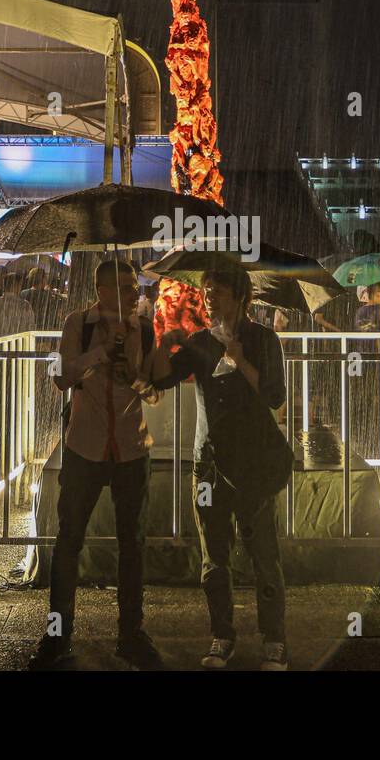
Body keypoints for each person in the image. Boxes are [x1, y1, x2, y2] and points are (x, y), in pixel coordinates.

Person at [150, 268, 290, 671]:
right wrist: (166, 345)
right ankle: (222, 634)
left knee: (264, 552)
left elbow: (275, 396)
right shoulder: (199, 342)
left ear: (241, 296)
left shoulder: (264, 339)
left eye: (219, 292)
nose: (209, 298)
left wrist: (241, 360)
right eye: (207, 291)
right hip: (208, 462)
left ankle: (275, 638)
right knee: (214, 557)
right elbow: (161, 380)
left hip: (254, 465)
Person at [29, 259, 161, 671]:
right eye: (123, 287)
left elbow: (155, 392)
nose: (132, 295)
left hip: (131, 448)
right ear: (100, 290)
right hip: (84, 447)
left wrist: (135, 377)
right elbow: (60, 377)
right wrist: (101, 353)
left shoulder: (146, 328)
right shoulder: (77, 324)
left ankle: (131, 634)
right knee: (69, 543)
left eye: (134, 288)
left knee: (132, 545)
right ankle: (57, 635)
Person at [0, 272, 35, 338]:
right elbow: (30, 326)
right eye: (19, 285)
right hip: (19, 344)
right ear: (16, 286)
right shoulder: (25, 305)